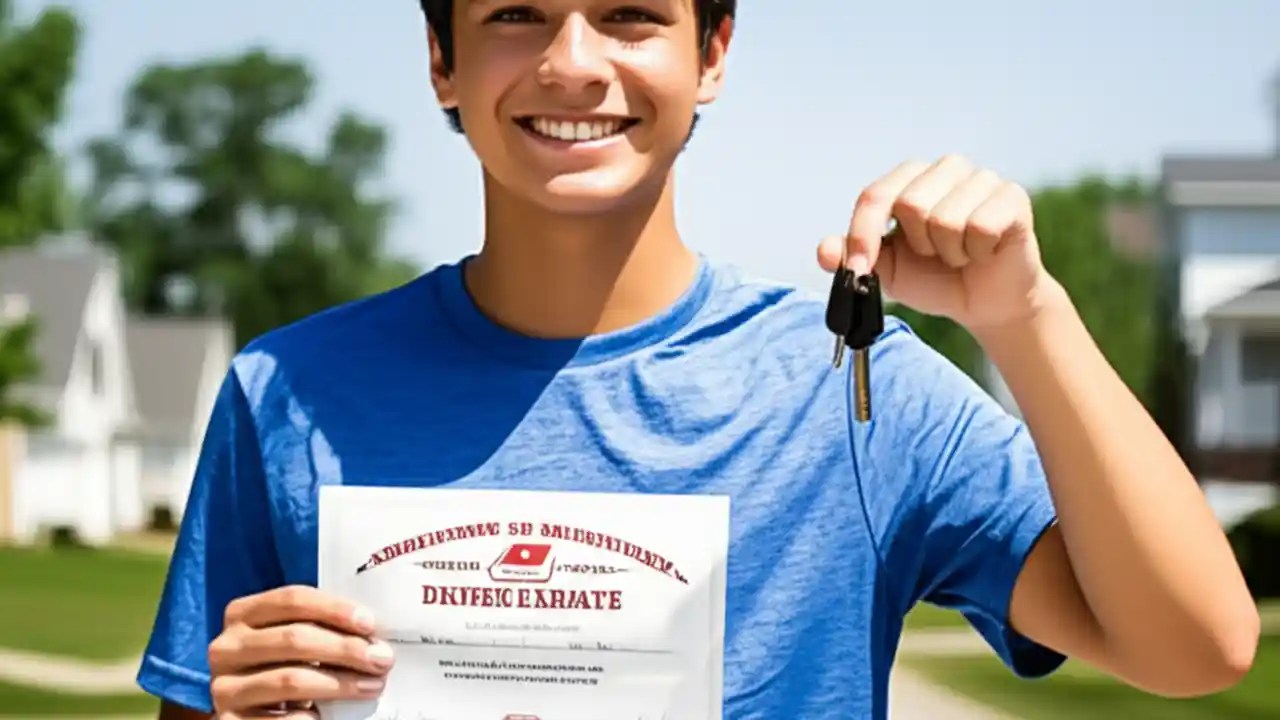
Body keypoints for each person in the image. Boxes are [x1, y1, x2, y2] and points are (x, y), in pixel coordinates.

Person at [137, 1, 1260, 718]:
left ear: (711, 53)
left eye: (628, 15)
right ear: (440, 59)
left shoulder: (857, 390)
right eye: (518, 15)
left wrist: (1026, 315)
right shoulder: (285, 393)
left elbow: (1196, 648)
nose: (574, 65)